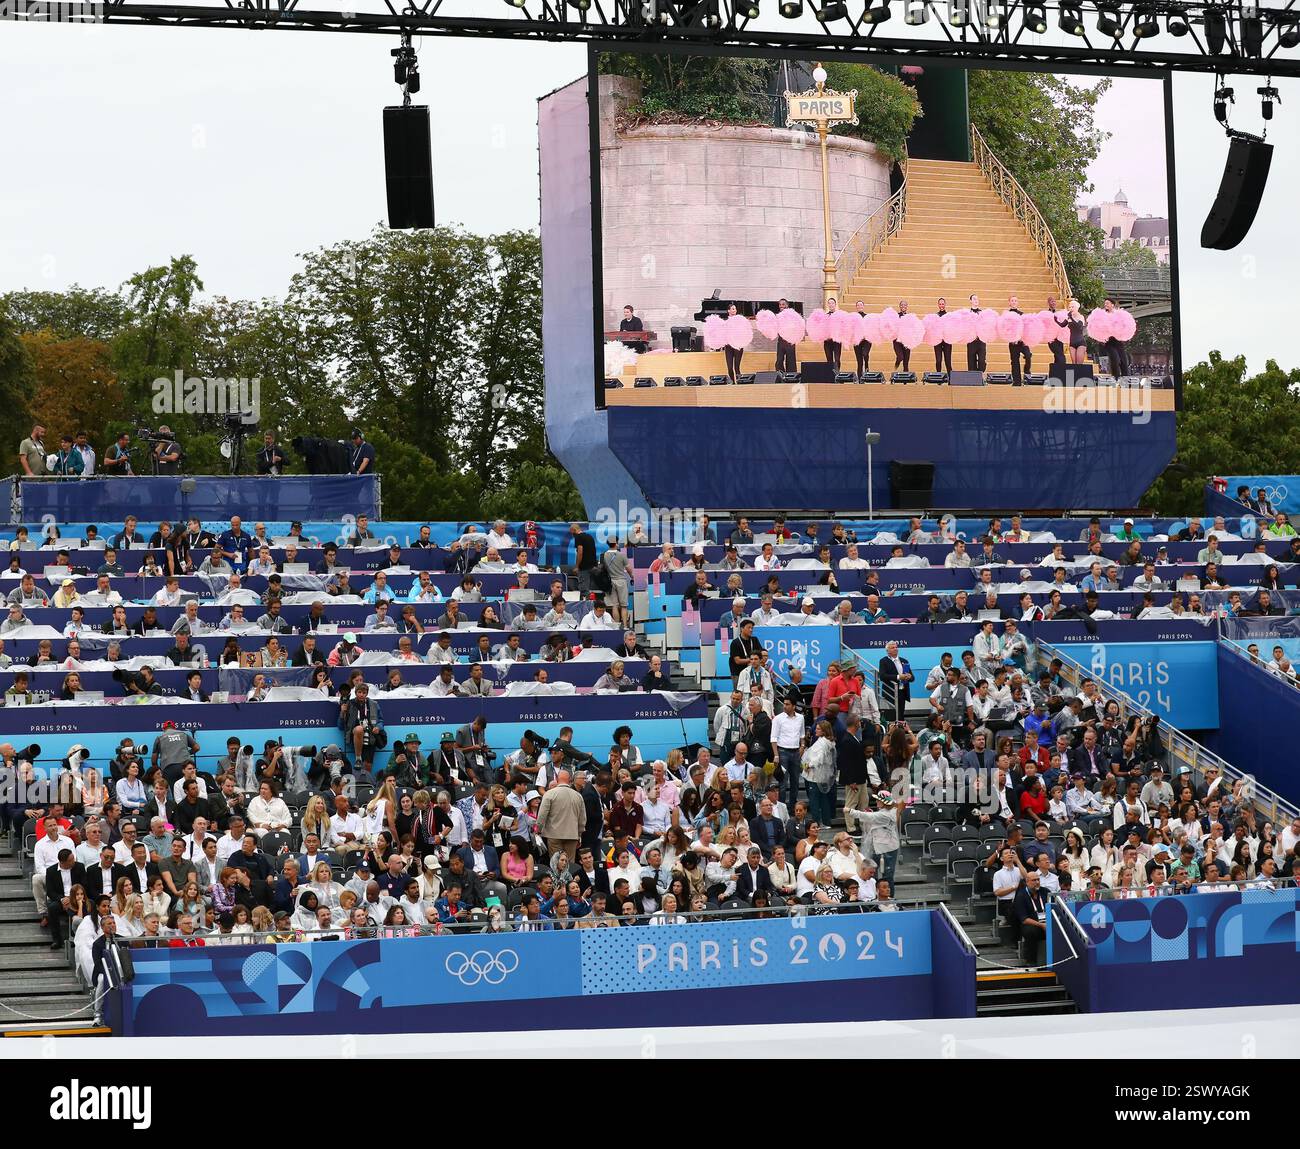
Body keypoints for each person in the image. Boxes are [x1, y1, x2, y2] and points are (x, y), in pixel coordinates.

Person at [1006, 294, 1030, 386]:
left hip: (1022, 341)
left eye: (1015, 301)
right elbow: (1006, 329)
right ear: (1009, 303)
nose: (1014, 302)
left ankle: (1027, 372)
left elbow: (1025, 327)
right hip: (1013, 342)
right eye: (1012, 301)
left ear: (1017, 302)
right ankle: (1017, 381)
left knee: (1028, 355)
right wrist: (1012, 338)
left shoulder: (1022, 314)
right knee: (1015, 361)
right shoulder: (1006, 315)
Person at [775, 298, 798, 374]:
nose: (781, 306)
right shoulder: (777, 316)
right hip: (781, 341)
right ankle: (781, 375)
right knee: (779, 360)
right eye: (780, 304)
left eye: (783, 304)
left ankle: (791, 376)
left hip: (790, 341)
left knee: (790, 361)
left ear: (787, 305)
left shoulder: (792, 315)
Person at [966, 293, 986, 372]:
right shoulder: (967, 313)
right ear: (970, 301)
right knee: (971, 363)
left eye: (977, 299)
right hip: (971, 341)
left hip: (981, 341)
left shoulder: (982, 313)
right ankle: (973, 380)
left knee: (982, 362)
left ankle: (980, 374)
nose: (976, 300)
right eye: (974, 299)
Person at [933, 297, 952, 374]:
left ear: (945, 304)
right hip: (937, 341)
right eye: (940, 304)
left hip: (947, 341)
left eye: (943, 304)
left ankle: (951, 378)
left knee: (948, 361)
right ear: (938, 305)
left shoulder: (949, 315)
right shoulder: (935, 316)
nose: (941, 305)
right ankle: (938, 377)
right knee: (938, 360)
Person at [822, 296, 842, 370]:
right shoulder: (825, 316)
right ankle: (830, 375)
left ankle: (837, 375)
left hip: (837, 341)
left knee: (837, 359)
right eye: (829, 303)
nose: (831, 305)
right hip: (827, 341)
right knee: (829, 359)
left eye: (832, 303)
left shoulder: (840, 315)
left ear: (835, 304)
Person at [892, 299, 911, 371]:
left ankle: (905, 380)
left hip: (906, 342)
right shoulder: (896, 316)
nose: (903, 306)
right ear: (899, 306)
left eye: (905, 305)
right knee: (900, 357)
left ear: (907, 307)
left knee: (906, 363)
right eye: (902, 305)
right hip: (897, 341)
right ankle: (895, 368)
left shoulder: (910, 317)